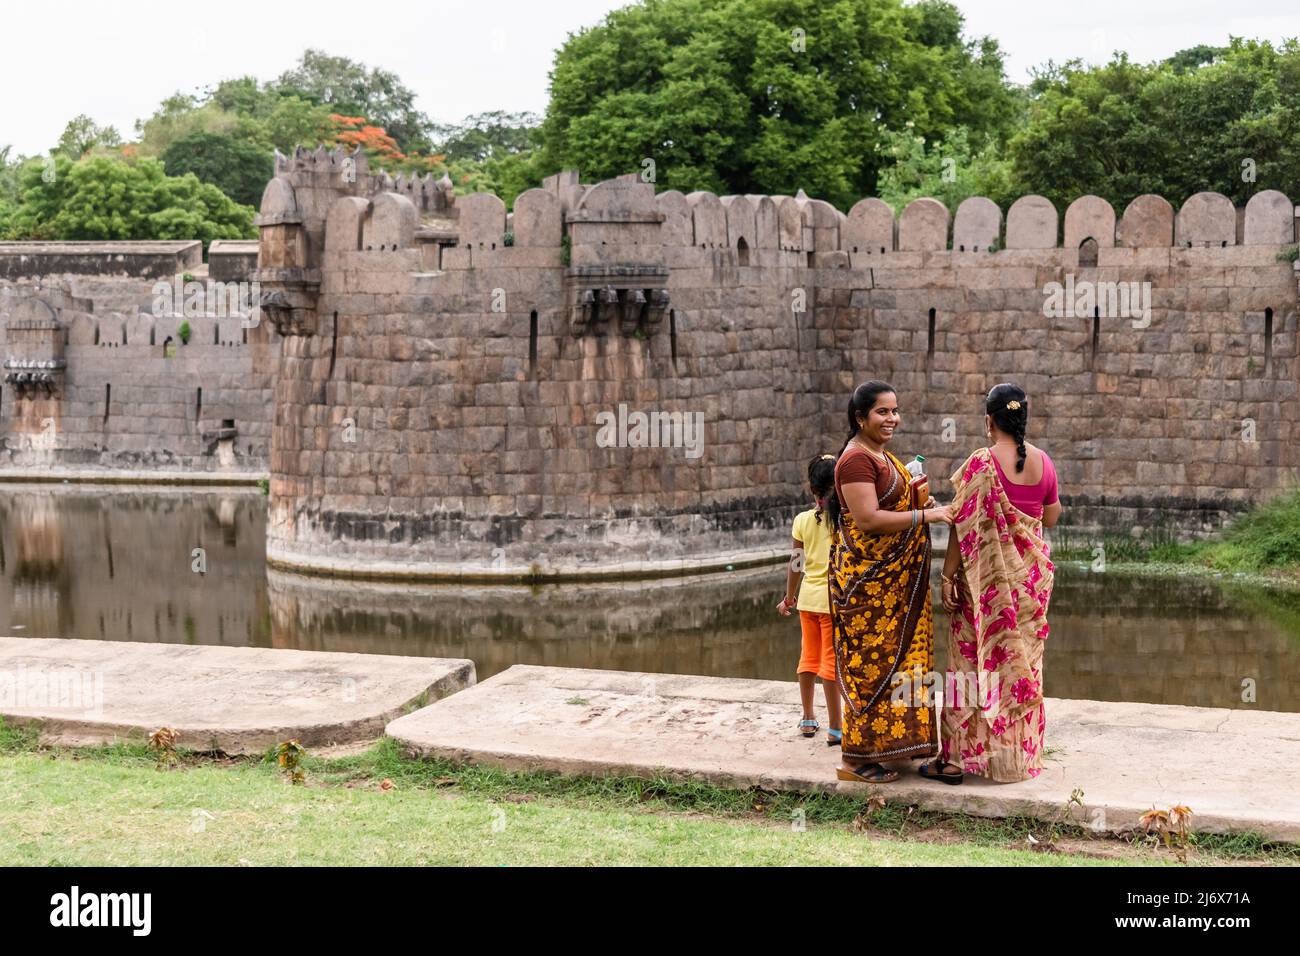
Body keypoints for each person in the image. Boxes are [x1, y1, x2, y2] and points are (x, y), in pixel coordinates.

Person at [921, 383, 1061, 784]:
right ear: (1022, 419)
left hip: (983, 587)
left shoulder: (982, 463)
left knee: (968, 664)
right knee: (1021, 666)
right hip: (1029, 586)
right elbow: (1050, 519)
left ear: (988, 420)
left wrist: (947, 576)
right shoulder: (1044, 462)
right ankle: (1013, 759)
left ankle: (955, 761)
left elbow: (960, 526)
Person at [825, 381, 953, 783]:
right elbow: (868, 520)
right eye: (882, 412)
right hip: (869, 586)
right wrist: (925, 517)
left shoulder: (882, 456)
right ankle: (858, 758)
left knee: (901, 663)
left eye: (895, 411)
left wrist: (919, 503)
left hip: (896, 587)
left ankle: (899, 745)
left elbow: (889, 506)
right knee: (873, 666)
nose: (892, 419)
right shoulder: (855, 461)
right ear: (860, 417)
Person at [777, 454, 842, 746]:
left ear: (812, 490)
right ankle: (836, 727)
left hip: (807, 601)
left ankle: (807, 718)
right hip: (833, 602)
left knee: (808, 658)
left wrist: (788, 598)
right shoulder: (844, 521)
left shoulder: (802, 520)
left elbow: (796, 564)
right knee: (830, 662)